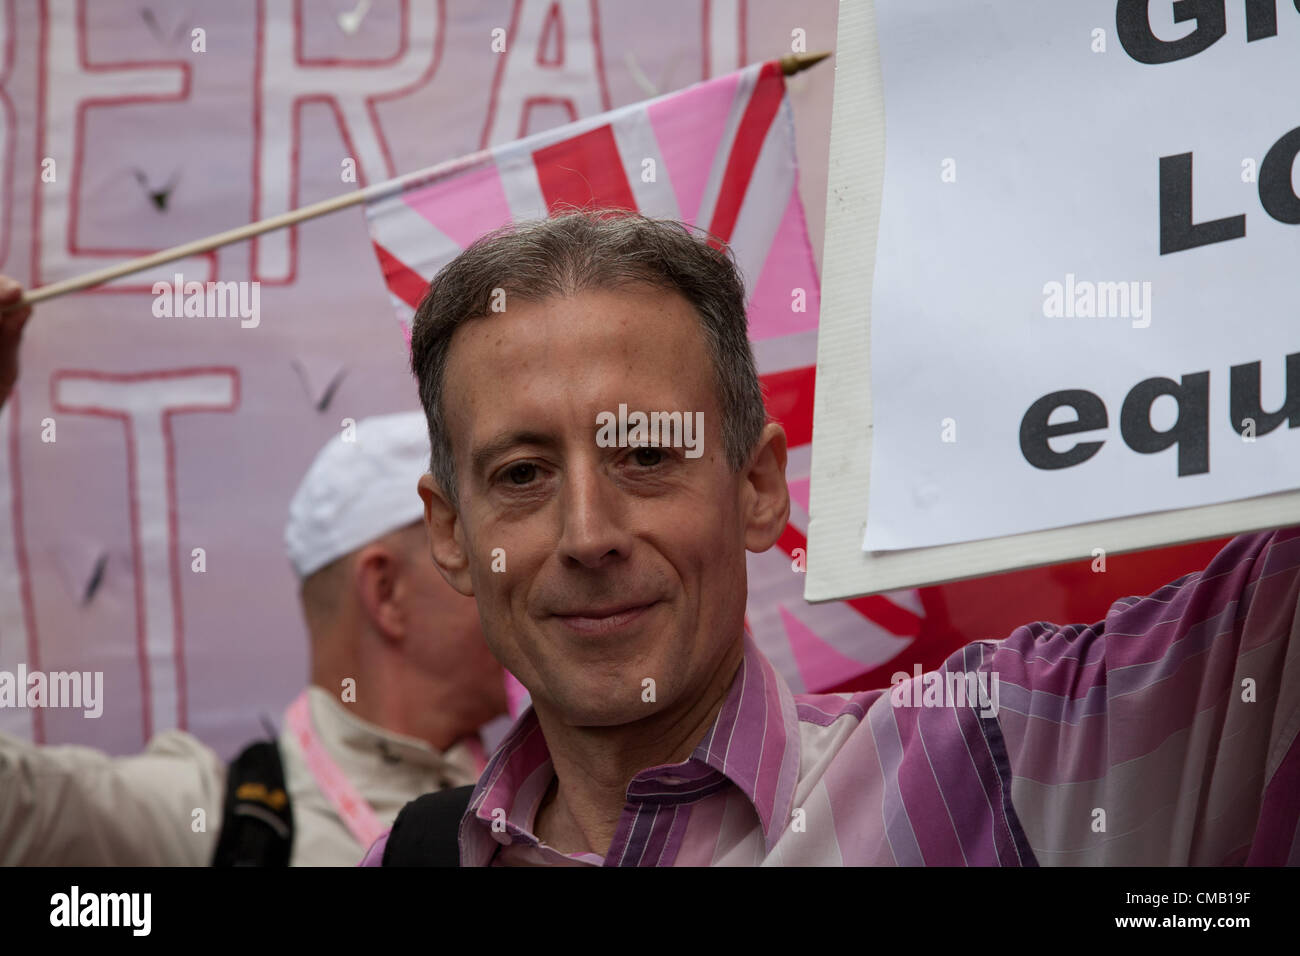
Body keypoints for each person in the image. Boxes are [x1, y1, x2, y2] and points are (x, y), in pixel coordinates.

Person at [361, 211, 1298, 866]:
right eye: (521, 474)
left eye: (646, 454)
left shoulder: (1000, 760)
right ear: (451, 533)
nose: (589, 534)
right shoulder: (408, 859)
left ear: (761, 487)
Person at [0, 275, 508, 864]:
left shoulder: (558, 798)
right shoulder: (204, 820)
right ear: (385, 591)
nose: (520, 569)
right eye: (472, 550)